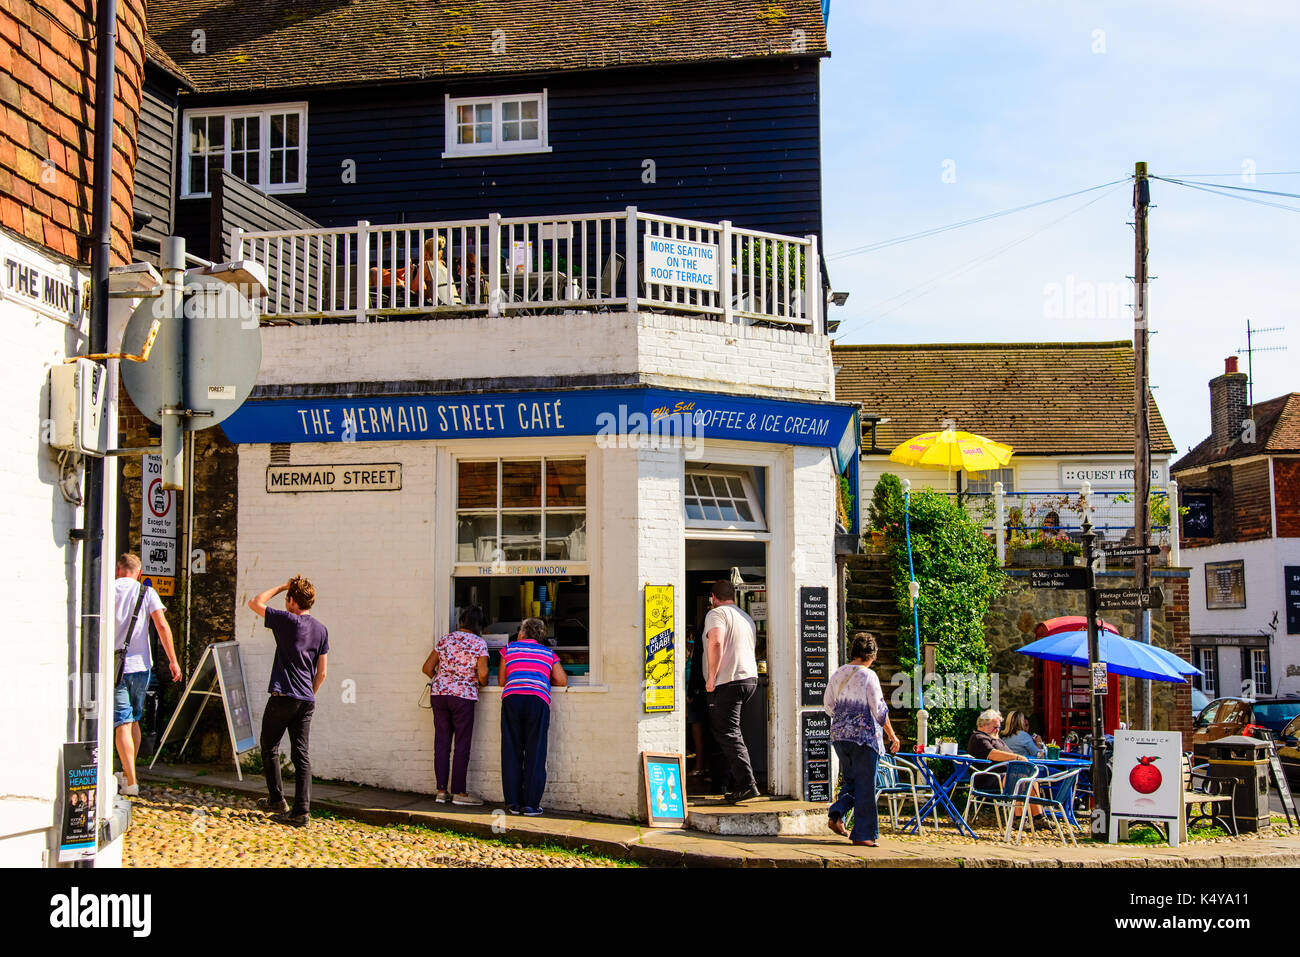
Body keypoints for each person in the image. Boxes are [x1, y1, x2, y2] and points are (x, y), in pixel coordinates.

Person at [248, 576, 329, 827]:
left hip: (284, 696)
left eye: (287, 598)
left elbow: (254, 602)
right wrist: (310, 693)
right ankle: (301, 811)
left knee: (269, 746)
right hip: (306, 699)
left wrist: (282, 586)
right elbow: (322, 673)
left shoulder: (287, 621)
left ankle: (276, 799)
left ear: (293, 601)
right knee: (301, 755)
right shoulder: (321, 629)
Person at [112, 554, 181, 797]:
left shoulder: (108, 589)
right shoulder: (147, 593)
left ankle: (130, 782)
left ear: (118, 569)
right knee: (134, 720)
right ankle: (127, 772)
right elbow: (162, 626)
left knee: (122, 722)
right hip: (142, 666)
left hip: (115, 665)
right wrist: (173, 660)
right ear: (139, 573)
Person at [823, 632, 900, 846]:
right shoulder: (868, 676)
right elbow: (879, 710)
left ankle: (836, 814)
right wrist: (891, 734)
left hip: (840, 737)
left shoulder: (838, 673)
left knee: (851, 781)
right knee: (866, 785)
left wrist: (843, 719)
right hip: (864, 738)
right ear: (872, 655)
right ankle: (864, 835)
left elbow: (828, 704)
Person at [498, 618, 567, 816]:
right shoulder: (548, 653)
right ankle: (531, 804)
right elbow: (561, 680)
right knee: (535, 753)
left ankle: (513, 803)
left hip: (512, 699)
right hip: (537, 700)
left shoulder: (509, 649)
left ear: (522, 633)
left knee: (511, 751)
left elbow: (502, 680)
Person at [422, 607, 489, 805]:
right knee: (462, 743)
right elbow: (483, 674)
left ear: (461, 621)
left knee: (442, 742)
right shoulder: (479, 643)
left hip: (440, 694)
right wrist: (478, 683)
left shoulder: (446, 639)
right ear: (479, 625)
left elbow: (426, 667)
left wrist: (443, 680)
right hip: (463, 697)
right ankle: (459, 792)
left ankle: (441, 791)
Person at [704, 580, 761, 804]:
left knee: (727, 733)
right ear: (734, 596)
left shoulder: (717, 614)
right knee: (732, 732)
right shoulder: (745, 617)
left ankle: (747, 785)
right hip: (749, 678)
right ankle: (737, 782)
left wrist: (711, 678)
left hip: (729, 680)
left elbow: (716, 642)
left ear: (714, 598)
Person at [967, 709, 1044, 825]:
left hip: (1002, 776)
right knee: (1017, 779)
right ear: (983, 725)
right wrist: (1017, 757)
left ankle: (1039, 818)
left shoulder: (995, 738)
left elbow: (1009, 754)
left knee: (1031, 780)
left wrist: (1016, 758)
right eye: (995, 727)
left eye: (998, 727)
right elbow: (992, 754)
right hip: (988, 778)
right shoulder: (979, 737)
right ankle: (1018, 819)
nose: (998, 730)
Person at [683, 625, 709, 779]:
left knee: (697, 731)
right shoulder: (697, 652)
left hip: (692, 695)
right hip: (696, 694)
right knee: (700, 732)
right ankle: (701, 765)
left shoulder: (690, 654)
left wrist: (690, 694)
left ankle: (699, 765)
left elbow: (691, 676)